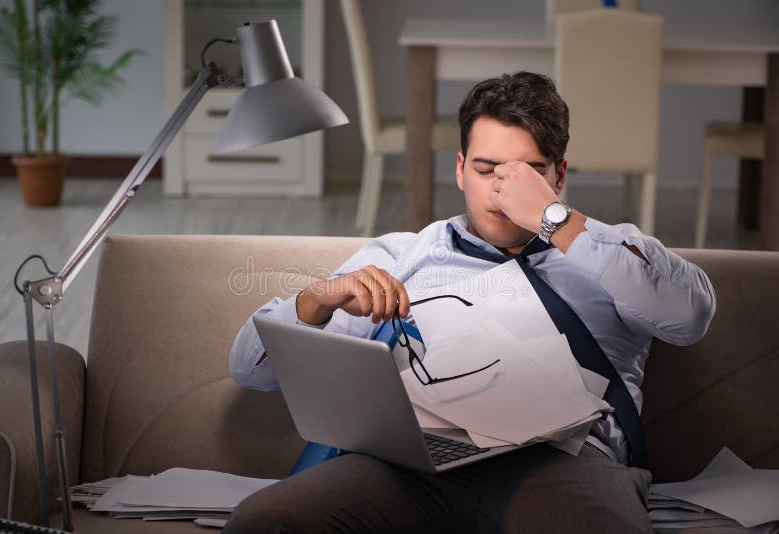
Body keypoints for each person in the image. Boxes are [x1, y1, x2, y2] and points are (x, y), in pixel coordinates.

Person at [225, 72, 716, 533]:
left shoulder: (612, 253)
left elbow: (689, 316)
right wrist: (317, 299)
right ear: (460, 170)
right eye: (487, 170)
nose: (502, 190)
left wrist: (553, 220)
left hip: (563, 462)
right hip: (411, 463)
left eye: (527, 174)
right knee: (264, 522)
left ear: (558, 175)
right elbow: (251, 367)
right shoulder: (403, 255)